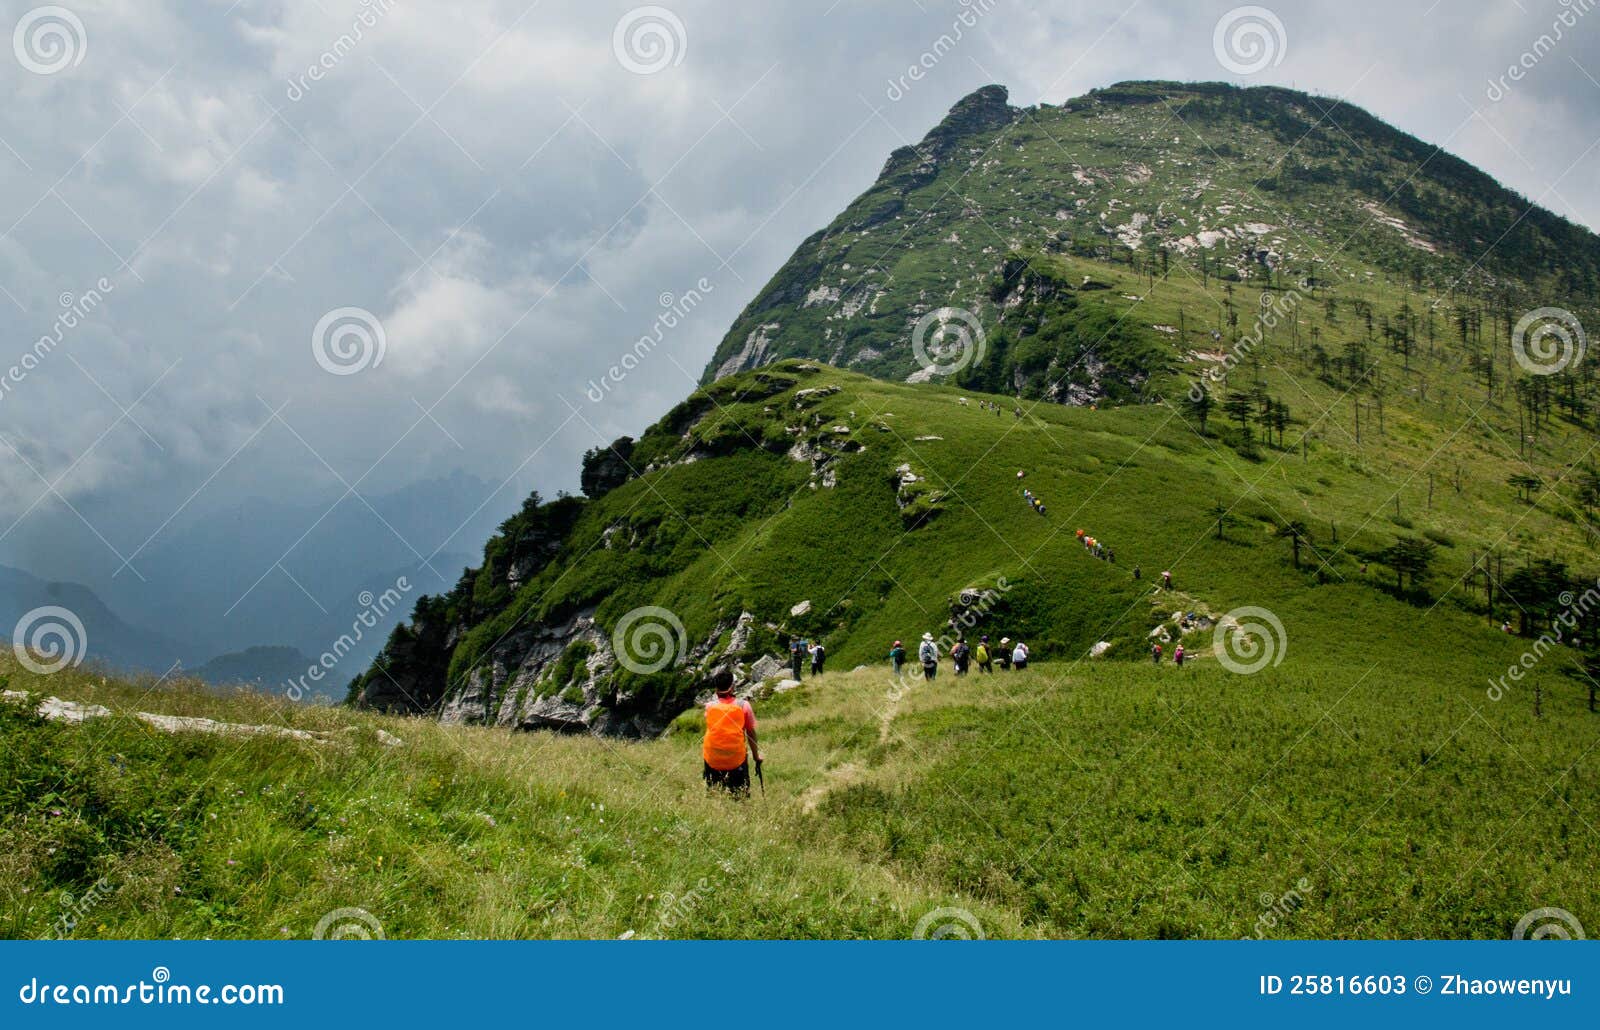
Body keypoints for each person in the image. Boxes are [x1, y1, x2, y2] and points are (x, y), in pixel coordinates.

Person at [702, 683, 760, 797]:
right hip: (736, 759)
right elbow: (751, 734)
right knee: (740, 797)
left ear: (716, 689)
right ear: (732, 687)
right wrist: (756, 756)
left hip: (713, 759)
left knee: (715, 795)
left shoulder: (709, 706)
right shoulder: (743, 705)